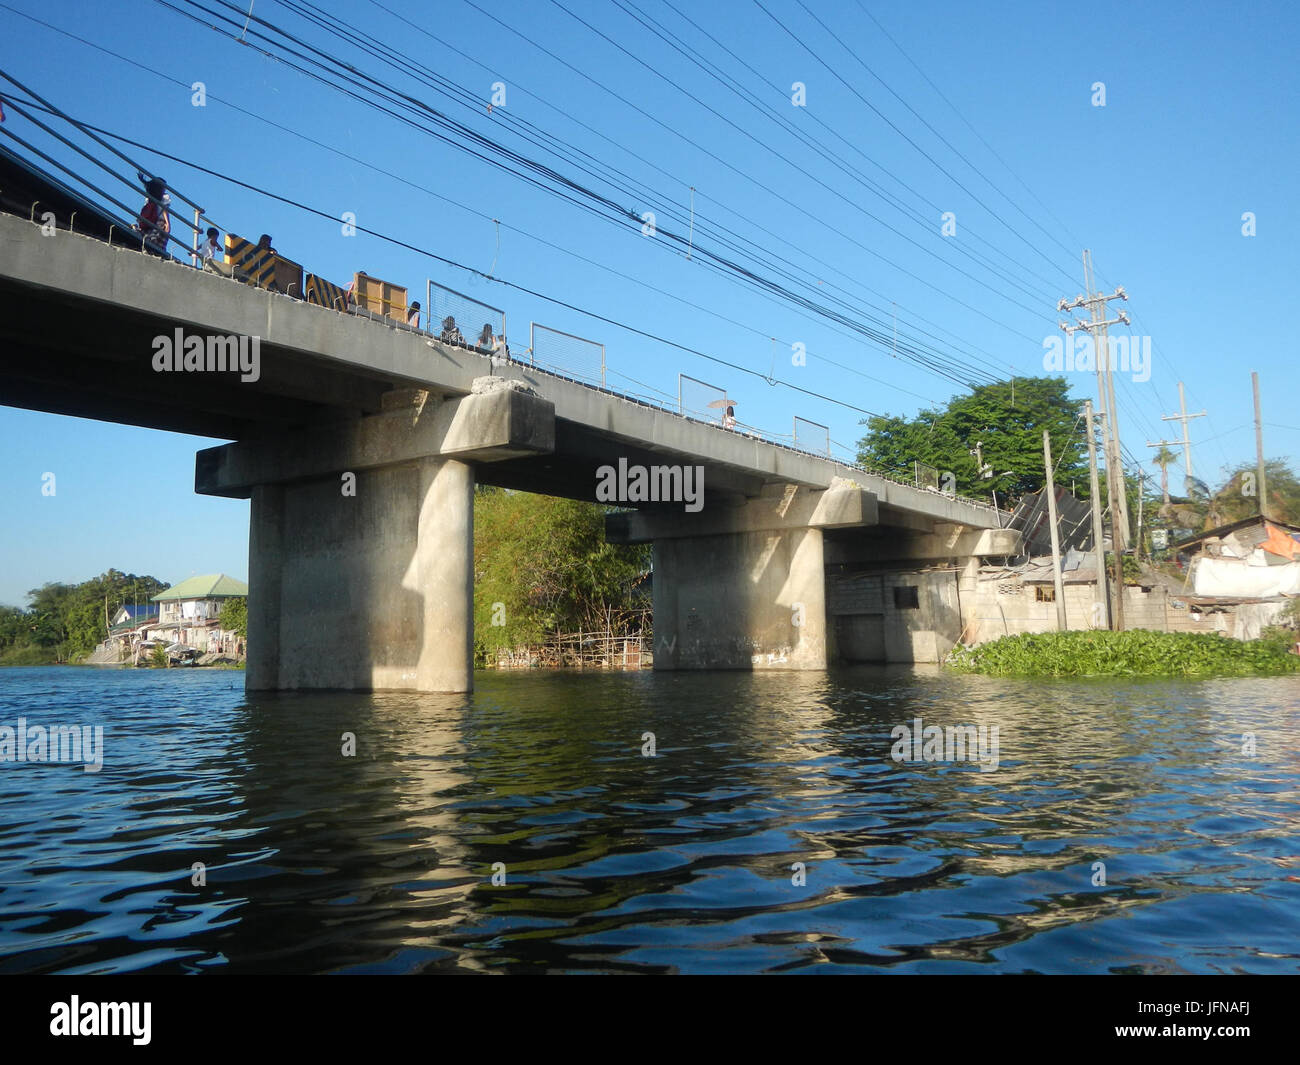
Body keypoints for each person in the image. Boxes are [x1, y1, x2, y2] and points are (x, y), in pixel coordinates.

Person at [136, 174, 170, 257]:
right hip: (160, 222)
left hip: (149, 221)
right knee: (158, 244)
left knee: (148, 240)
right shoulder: (165, 197)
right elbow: (165, 210)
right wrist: (168, 224)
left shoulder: (149, 198)